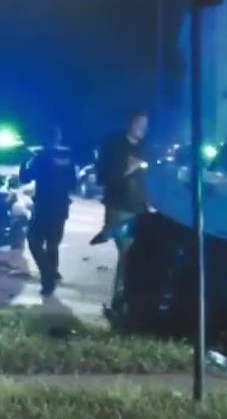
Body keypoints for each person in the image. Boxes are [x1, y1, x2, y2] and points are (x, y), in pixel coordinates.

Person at [91, 110, 150, 318]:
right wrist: (129, 169)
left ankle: (125, 301)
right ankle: (119, 303)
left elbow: (148, 178)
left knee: (134, 257)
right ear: (131, 124)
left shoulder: (144, 148)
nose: (143, 128)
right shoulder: (115, 146)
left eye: (146, 124)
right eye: (140, 124)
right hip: (119, 208)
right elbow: (106, 176)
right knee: (127, 255)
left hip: (138, 210)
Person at [22, 126, 75, 296]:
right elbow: (73, 183)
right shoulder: (67, 157)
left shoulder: (40, 157)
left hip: (43, 206)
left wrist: (24, 162)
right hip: (60, 206)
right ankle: (52, 272)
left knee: (34, 241)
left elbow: (25, 177)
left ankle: (48, 277)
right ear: (58, 139)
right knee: (53, 243)